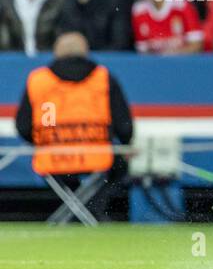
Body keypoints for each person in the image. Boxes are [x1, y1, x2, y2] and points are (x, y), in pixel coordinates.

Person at [15, 31, 134, 221]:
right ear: (86, 51)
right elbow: (124, 125)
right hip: (98, 158)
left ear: (56, 52)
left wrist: (44, 142)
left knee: (65, 179)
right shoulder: (103, 78)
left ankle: (78, 209)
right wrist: (126, 142)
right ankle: (93, 207)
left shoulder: (38, 80)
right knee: (122, 164)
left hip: (52, 159)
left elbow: (22, 126)